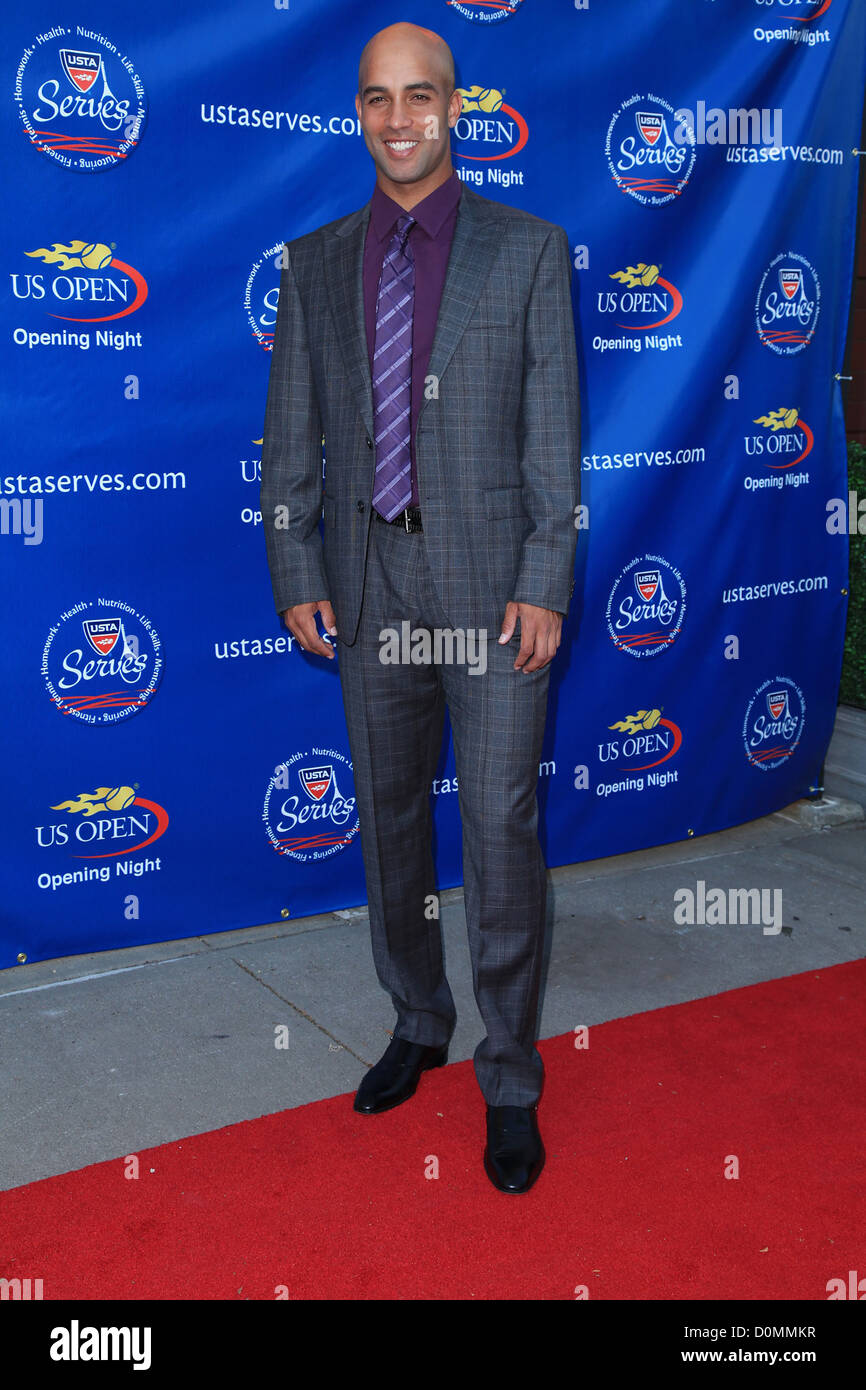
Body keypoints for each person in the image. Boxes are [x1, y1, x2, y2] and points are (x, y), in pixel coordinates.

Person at [260, 21, 580, 1194]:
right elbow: (290, 436)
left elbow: (554, 439)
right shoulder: (316, 262)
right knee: (389, 819)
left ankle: (508, 1077)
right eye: (378, 99)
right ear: (358, 112)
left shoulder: (529, 251)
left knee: (499, 835)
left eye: (422, 96)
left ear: (458, 106)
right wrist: (298, 570)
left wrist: (544, 579)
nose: (400, 118)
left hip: (498, 598)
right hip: (368, 586)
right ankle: (417, 1017)